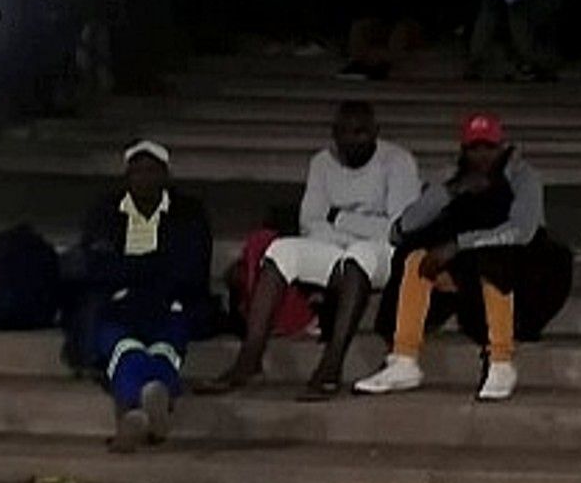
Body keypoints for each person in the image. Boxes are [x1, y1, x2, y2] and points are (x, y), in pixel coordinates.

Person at [199, 102, 422, 399]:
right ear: (334, 134)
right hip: (333, 247)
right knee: (280, 251)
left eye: (361, 132)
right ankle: (249, 359)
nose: (353, 140)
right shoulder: (322, 162)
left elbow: (398, 227)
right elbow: (309, 221)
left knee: (360, 257)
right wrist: (347, 229)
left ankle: (331, 366)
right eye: (345, 133)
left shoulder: (398, 161)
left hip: (384, 252)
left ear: (375, 133)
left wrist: (339, 217)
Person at [355, 112, 548, 402]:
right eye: (474, 148)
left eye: (489, 148)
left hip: (524, 266)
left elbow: (522, 231)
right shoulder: (453, 175)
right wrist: (452, 191)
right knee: (417, 259)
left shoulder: (523, 176)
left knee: (495, 264)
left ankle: (501, 361)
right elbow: (403, 228)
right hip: (467, 263)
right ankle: (404, 359)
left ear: (501, 147)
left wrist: (460, 244)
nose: (482, 156)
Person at [64, 141, 214, 452]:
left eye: (151, 171)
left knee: (164, 348)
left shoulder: (189, 213)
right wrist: (154, 264)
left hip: (170, 302)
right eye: (136, 172)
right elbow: (95, 266)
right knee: (125, 349)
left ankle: (134, 414)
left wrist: (128, 267)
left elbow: (191, 269)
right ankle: (148, 404)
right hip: (116, 303)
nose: (143, 179)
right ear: (127, 176)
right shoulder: (105, 212)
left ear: (165, 175)